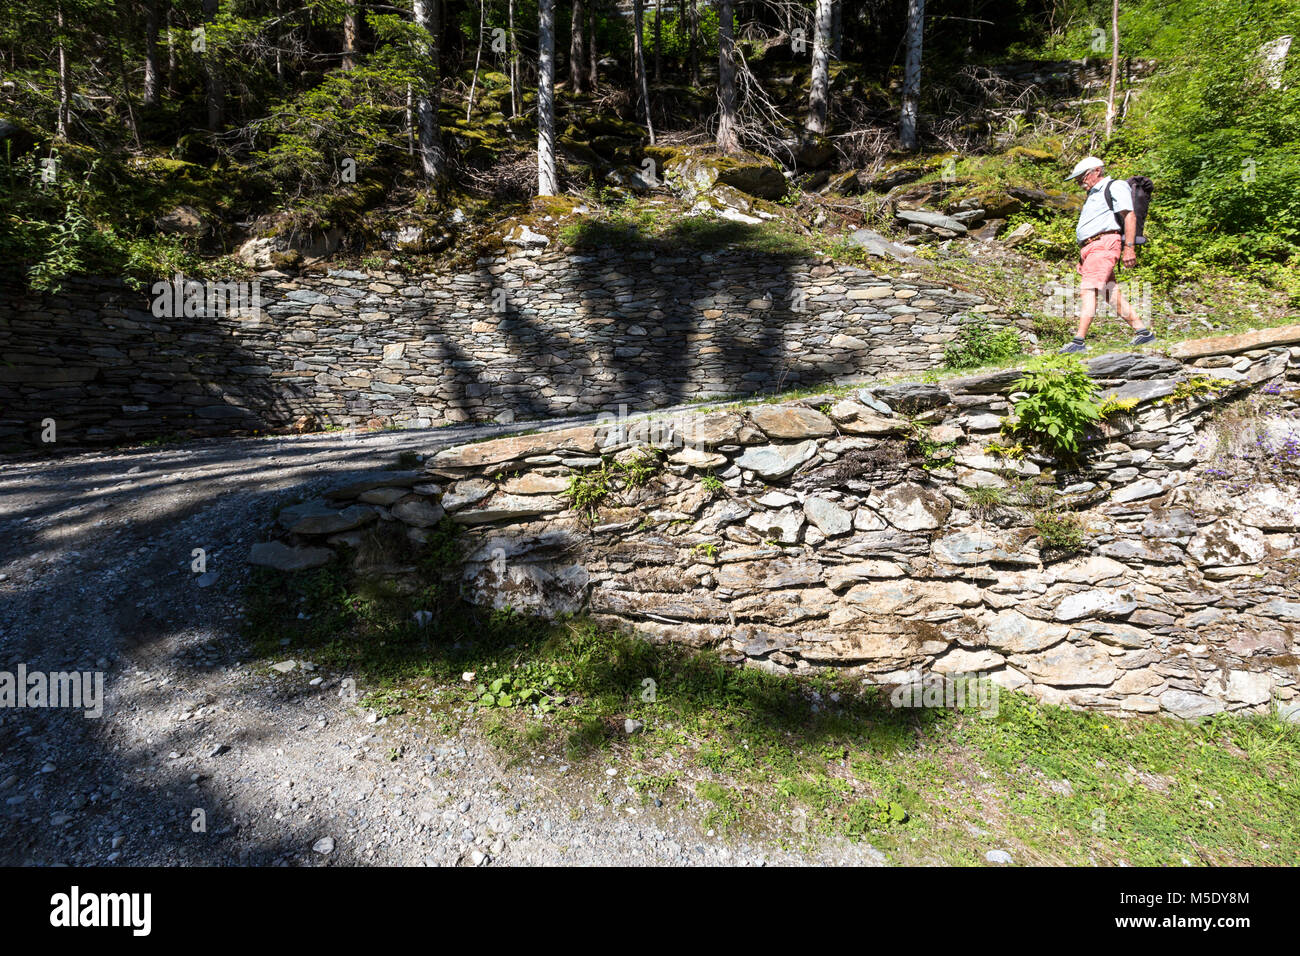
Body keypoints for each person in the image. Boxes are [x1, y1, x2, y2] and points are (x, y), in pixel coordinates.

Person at [1058, 156, 1155, 354]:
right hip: (1092, 247)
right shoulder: (1092, 194)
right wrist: (1083, 256)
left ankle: (1079, 341)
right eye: (1077, 179)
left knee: (1089, 290)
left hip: (1103, 244)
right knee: (1109, 292)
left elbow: (1129, 215)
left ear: (1096, 171)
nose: (1079, 182)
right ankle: (1143, 333)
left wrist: (1129, 247)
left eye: (1082, 177)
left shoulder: (1115, 186)